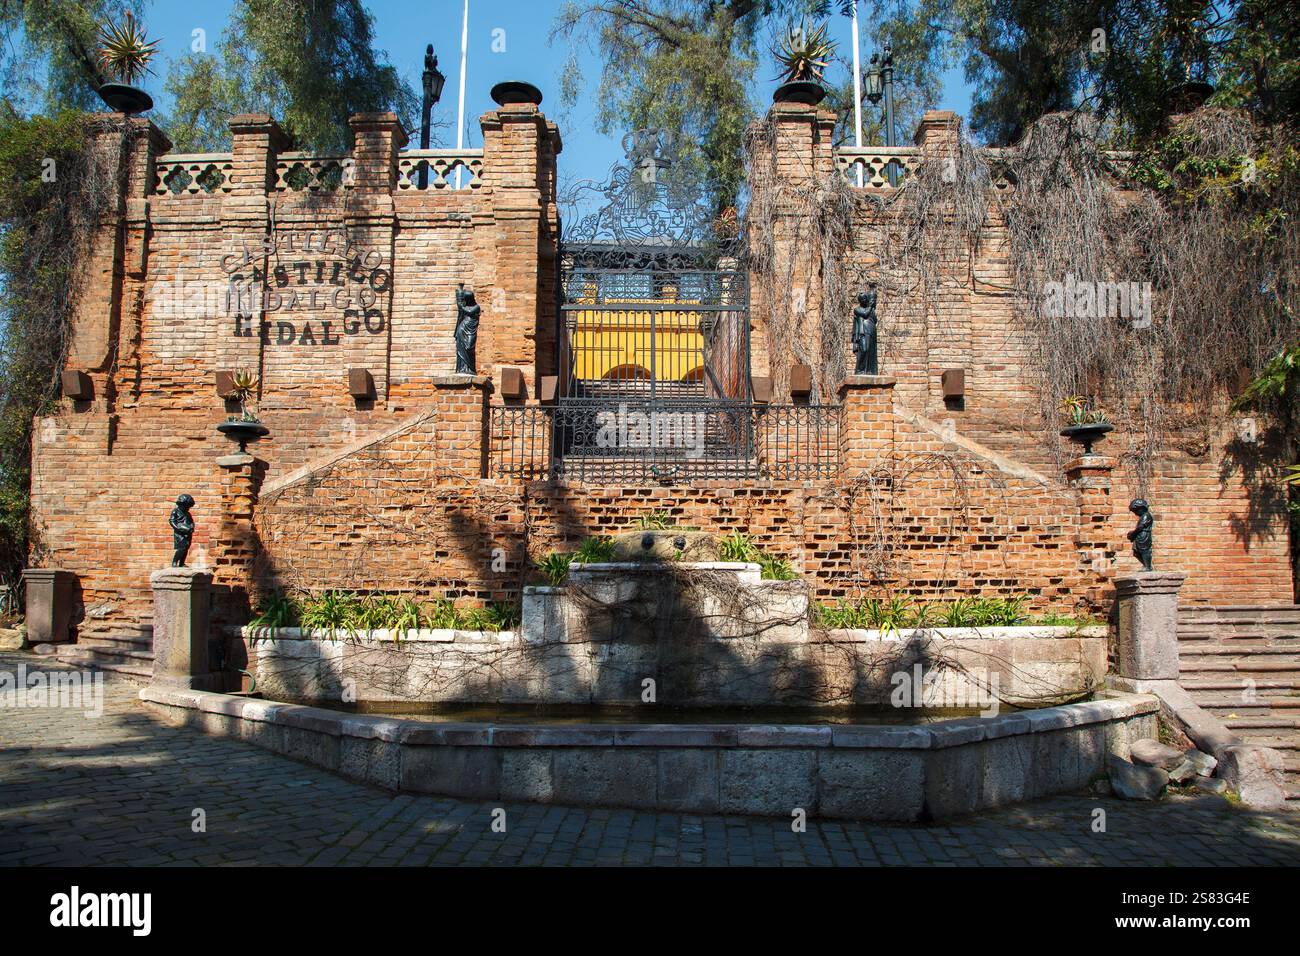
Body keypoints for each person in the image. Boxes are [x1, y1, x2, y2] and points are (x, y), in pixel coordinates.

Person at [853, 283, 880, 375]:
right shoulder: (857, 309)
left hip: (871, 331)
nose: (865, 300)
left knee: (870, 351)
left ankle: (869, 370)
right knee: (864, 349)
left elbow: (875, 320)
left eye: (866, 299)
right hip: (863, 332)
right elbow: (864, 314)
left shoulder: (871, 310)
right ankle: (860, 370)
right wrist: (870, 307)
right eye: (863, 299)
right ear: (860, 301)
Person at [170, 494, 195, 567]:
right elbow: (172, 521)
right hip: (180, 534)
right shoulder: (175, 511)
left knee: (186, 548)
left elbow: (191, 522)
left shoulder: (188, 514)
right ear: (181, 504)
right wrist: (178, 528)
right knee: (181, 548)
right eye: (186, 506)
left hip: (188, 533)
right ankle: (174, 561)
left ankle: (182, 563)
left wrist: (191, 527)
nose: (188, 508)